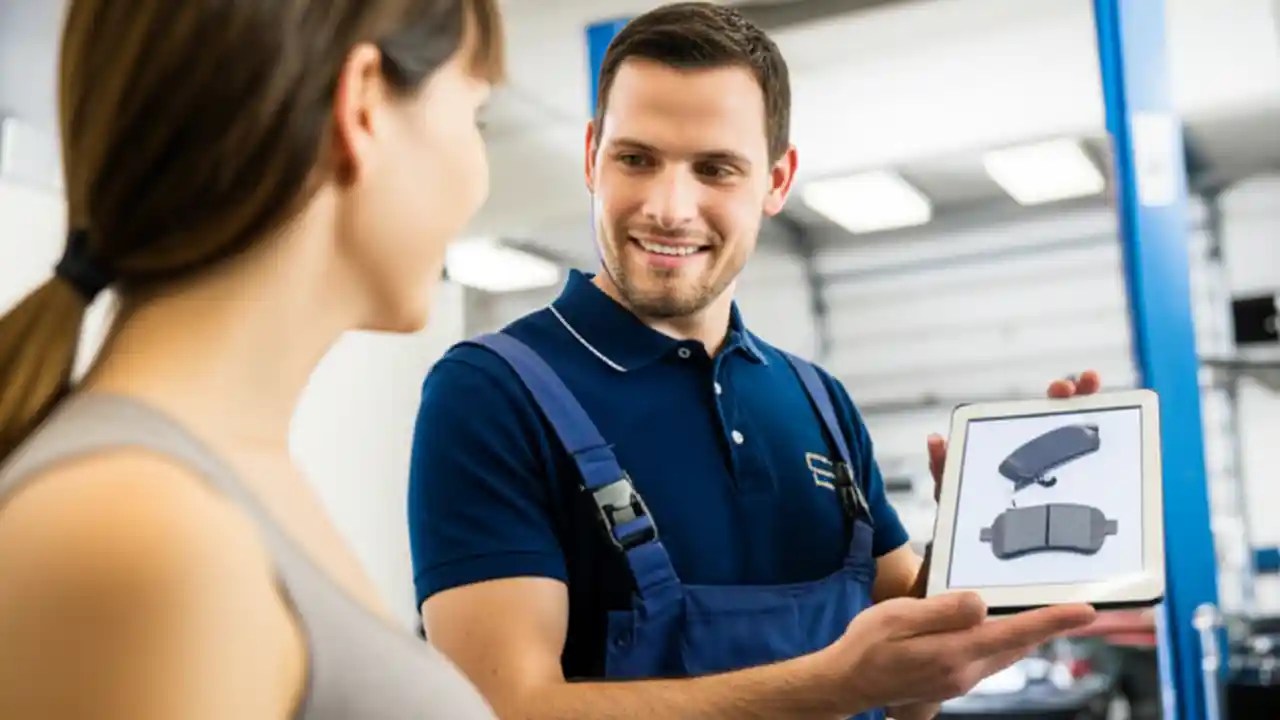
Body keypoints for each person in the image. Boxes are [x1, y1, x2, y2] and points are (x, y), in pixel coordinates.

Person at [408, 3, 1099, 719]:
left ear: (776, 180)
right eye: (636, 158)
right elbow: (498, 709)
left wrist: (976, 543)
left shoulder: (819, 401)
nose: (669, 207)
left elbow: (908, 690)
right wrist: (836, 685)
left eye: (715, 169)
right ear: (592, 155)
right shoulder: (490, 393)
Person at [0, 1, 504, 718]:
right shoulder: (147, 537)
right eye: (476, 117)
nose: (479, 179)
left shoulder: (211, 489)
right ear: (363, 104)